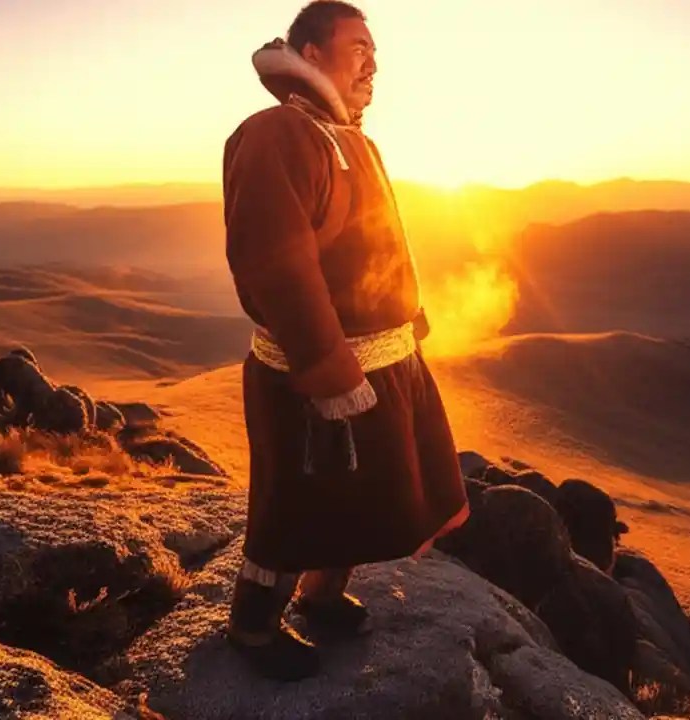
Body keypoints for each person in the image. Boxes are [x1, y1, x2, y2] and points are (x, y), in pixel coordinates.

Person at [221, 1, 470, 682]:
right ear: (310, 51)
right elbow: (275, 265)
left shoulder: (351, 138)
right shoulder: (276, 133)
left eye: (376, 51)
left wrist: (408, 316)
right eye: (359, 46)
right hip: (315, 373)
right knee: (294, 502)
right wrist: (328, 370)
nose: (373, 64)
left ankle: (321, 595)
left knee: (366, 492)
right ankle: (251, 627)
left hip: (386, 360)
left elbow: (380, 246)